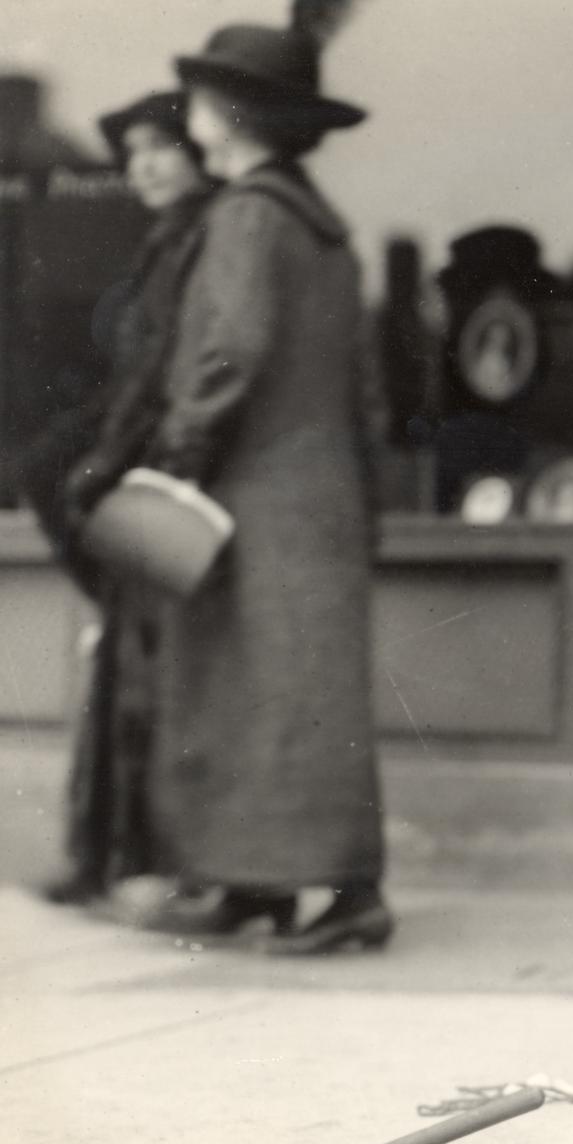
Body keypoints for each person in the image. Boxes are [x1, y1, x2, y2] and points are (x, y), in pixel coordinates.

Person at [138, 19, 394, 954]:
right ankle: (260, 883)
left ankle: (337, 894)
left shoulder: (247, 214)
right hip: (316, 493)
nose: (192, 110)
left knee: (263, 694)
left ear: (235, 116)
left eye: (203, 94)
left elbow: (230, 349)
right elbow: (364, 386)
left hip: (252, 491)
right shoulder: (323, 229)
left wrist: (179, 448)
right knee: (290, 696)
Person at [16, 92, 216, 906]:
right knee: (121, 670)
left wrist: (102, 464)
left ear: (200, 152)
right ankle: (109, 855)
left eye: (161, 148)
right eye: (132, 154)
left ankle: (153, 859)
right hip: (136, 464)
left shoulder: (208, 240)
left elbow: (181, 373)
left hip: (174, 471)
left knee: (157, 675)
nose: (143, 167)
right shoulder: (162, 244)